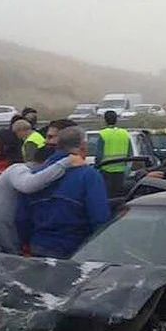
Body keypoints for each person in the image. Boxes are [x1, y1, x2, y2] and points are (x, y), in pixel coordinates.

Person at [16, 127, 109, 259]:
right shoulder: (89, 176)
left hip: (38, 248)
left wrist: (26, 244)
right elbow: (100, 218)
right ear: (82, 146)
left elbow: (21, 218)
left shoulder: (36, 175)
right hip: (75, 250)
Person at [98, 110, 131, 198]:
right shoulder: (125, 133)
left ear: (105, 120)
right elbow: (129, 154)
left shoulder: (103, 134)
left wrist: (97, 167)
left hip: (106, 171)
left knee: (107, 196)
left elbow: (99, 155)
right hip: (121, 171)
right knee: (119, 196)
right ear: (116, 120)